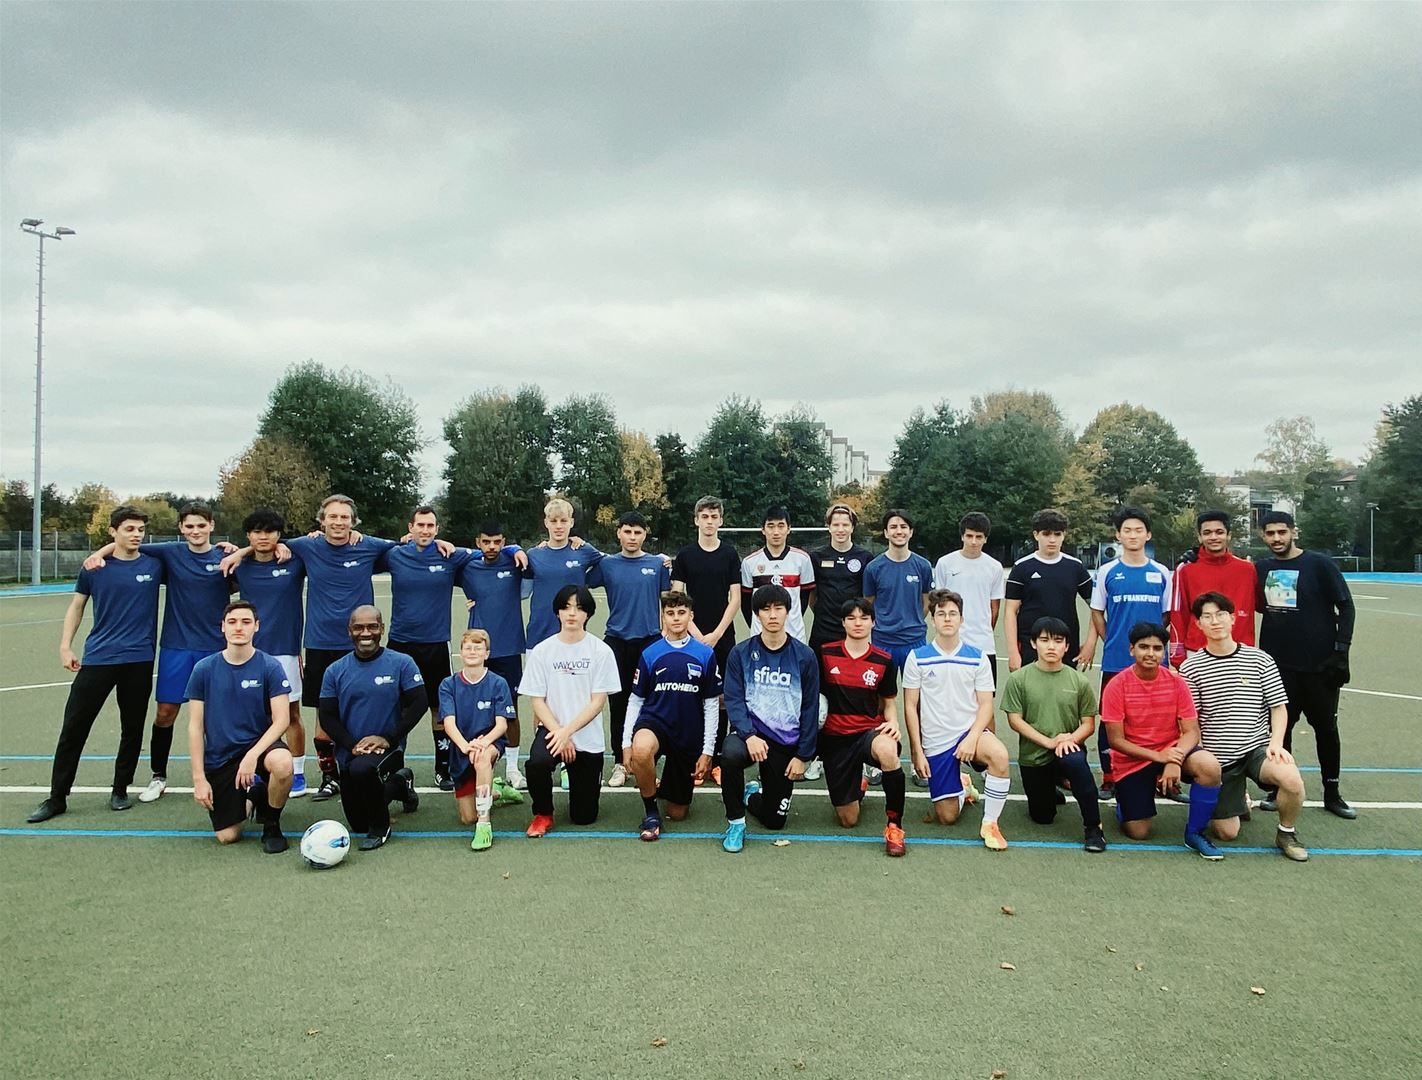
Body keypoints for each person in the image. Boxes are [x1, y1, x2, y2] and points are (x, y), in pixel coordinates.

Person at [82, 502, 235, 805]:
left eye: (201, 526)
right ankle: (158, 776)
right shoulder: (168, 553)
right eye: (189, 526)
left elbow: (259, 556)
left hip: (216, 649)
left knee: (216, 717)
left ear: (212, 526)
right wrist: (99, 553)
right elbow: (126, 541)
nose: (195, 531)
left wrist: (239, 550)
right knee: (166, 713)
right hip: (177, 647)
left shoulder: (226, 557)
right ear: (181, 528)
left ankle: (221, 773)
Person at [27, 506, 165, 822]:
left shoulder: (154, 565)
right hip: (99, 658)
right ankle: (57, 797)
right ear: (113, 531)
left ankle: (120, 789)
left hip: (140, 660)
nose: (136, 534)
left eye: (140, 529)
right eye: (129, 529)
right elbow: (76, 607)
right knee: (74, 727)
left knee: (132, 728)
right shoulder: (94, 569)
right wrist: (65, 646)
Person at [1181, 593, 1310, 861]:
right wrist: (1204, 757)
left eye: (1220, 615)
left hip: (1255, 749)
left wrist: (1275, 743)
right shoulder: (1191, 668)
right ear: (1198, 625)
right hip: (1220, 759)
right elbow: (1191, 719)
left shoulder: (1260, 660)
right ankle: (1240, 800)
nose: (1215, 621)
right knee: (1226, 833)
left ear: (1232, 619)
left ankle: (1286, 832)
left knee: (1292, 779)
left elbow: (1278, 707)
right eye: (1207, 616)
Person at [1255, 511, 1357, 819]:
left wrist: (1341, 651)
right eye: (1270, 533)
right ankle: (1279, 788)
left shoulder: (1320, 565)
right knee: (1280, 731)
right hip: (1277, 665)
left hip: (1320, 665)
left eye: (1282, 532)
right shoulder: (1260, 569)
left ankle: (1332, 792)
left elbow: (1346, 606)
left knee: (1326, 729)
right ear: (1263, 536)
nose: (1276, 539)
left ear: (1293, 532)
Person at [1099, 622, 1225, 859]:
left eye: (1157, 648)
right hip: (1134, 758)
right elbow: (1115, 741)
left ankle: (1195, 833)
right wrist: (1159, 757)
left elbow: (1191, 732)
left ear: (1163, 652)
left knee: (1209, 766)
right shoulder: (1116, 686)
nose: (1150, 653)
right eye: (1143, 647)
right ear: (1131, 650)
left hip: (1171, 751)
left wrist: (1174, 760)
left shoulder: (1177, 683)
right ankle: (1124, 804)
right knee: (1138, 832)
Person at [903, 590, 1011, 850]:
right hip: (936, 742)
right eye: (941, 614)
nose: (947, 619)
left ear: (962, 620)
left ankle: (990, 823)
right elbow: (909, 706)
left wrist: (973, 738)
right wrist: (917, 751)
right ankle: (962, 785)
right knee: (947, 817)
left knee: (1000, 755)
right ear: (933, 619)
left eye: (953, 614)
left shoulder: (977, 657)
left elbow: (986, 705)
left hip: (968, 735)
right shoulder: (917, 657)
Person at [186, 601, 295, 853]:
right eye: (232, 622)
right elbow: (195, 726)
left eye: (246, 622)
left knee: (282, 763)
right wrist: (199, 779)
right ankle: (254, 795)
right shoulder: (203, 670)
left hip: (259, 748)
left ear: (256, 627)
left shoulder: (269, 666)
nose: (239, 628)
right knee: (228, 836)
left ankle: (271, 824)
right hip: (222, 756)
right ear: (222, 627)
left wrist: (252, 755)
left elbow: (282, 720)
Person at [381, 505, 477, 790]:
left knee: (439, 707)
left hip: (435, 645)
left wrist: (513, 550)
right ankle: (394, 767)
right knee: (397, 708)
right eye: (420, 525)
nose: (425, 530)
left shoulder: (449, 555)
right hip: (400, 644)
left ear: (437, 529)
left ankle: (443, 768)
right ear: (410, 528)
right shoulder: (393, 555)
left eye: (431, 526)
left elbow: (488, 550)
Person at [719, 585, 819, 852]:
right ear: (757, 615)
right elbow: (734, 699)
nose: (772, 615)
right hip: (751, 735)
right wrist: (749, 735)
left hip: (785, 742)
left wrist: (803, 755)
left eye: (778, 608)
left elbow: (810, 709)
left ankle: (752, 796)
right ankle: (736, 822)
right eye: (765, 609)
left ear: (788, 612)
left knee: (775, 821)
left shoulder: (805, 656)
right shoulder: (740, 654)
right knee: (729, 754)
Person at [317, 605, 425, 851]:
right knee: (358, 823)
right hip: (350, 750)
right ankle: (400, 784)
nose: (366, 632)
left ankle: (381, 828)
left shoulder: (402, 663)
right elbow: (328, 716)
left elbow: (420, 703)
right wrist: (351, 744)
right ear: (350, 631)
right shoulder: (335, 670)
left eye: (372, 626)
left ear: (382, 629)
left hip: (388, 749)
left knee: (363, 771)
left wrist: (389, 738)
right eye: (359, 627)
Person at [518, 585, 621, 836]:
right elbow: (537, 700)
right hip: (552, 731)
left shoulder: (601, 651)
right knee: (537, 763)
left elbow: (598, 702)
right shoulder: (543, 651)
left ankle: (579, 780)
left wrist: (569, 733)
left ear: (588, 614)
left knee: (583, 817)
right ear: (558, 613)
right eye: (566, 607)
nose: (572, 613)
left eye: (579, 608)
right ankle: (543, 814)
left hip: (586, 737)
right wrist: (560, 733)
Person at [623, 592, 722, 841]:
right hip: (655, 721)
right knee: (642, 749)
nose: (676, 618)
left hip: (688, 731)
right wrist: (626, 743)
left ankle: (666, 786)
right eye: (670, 613)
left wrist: (707, 751)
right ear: (663, 617)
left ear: (691, 616)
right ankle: (650, 813)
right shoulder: (650, 653)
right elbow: (636, 700)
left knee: (677, 813)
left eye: (681, 613)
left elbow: (711, 705)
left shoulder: (705, 654)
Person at [1001, 617, 1105, 853]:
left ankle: (1093, 827)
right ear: (1034, 644)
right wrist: (1049, 741)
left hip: (1067, 748)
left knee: (1076, 763)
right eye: (1045, 640)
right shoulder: (1019, 679)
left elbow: (1088, 723)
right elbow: (1015, 720)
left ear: (1067, 646)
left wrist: (1069, 740)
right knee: (1043, 816)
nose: (1051, 646)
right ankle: (1049, 789)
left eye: (1058, 641)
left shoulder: (1078, 681)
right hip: (1035, 753)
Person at [1089, 507, 1172, 790]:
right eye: (1127, 530)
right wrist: (1111, 640)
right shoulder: (1107, 571)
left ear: (1148, 535)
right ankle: (1109, 776)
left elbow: (1166, 615)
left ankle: (1163, 775)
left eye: (1139, 530)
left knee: (1160, 717)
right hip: (1115, 660)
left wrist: (1150, 647)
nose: (1133, 535)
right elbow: (1098, 612)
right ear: (1118, 535)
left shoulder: (1161, 572)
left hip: (1154, 662)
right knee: (1110, 718)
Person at [587, 511, 671, 787]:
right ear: (618, 533)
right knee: (618, 703)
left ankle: (648, 761)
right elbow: (577, 572)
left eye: (638, 532)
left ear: (645, 534)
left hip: (650, 643)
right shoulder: (607, 564)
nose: (632, 537)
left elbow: (669, 599)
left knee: (652, 702)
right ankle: (621, 763)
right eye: (627, 531)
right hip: (617, 642)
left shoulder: (657, 565)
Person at [816, 598, 906, 856]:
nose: (858, 623)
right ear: (843, 622)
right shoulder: (825, 653)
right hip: (835, 739)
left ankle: (894, 827)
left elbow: (889, 702)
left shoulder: (883, 659)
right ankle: (860, 783)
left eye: (864, 618)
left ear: (873, 623)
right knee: (848, 819)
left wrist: (894, 723)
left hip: (869, 733)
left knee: (889, 751)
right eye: (852, 618)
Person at [232, 509, 309, 796]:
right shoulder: (239, 565)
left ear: (279, 535)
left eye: (270, 532)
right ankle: (259, 767)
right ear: (249, 536)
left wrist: (287, 545)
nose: (263, 537)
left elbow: (312, 541)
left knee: (290, 714)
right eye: (257, 532)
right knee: (253, 713)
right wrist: (239, 553)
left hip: (286, 651)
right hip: (249, 653)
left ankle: (298, 772)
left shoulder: (294, 561)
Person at [670, 495, 742, 783]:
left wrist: (717, 634)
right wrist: (697, 634)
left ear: (720, 521)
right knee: (692, 696)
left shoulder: (729, 554)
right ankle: (696, 756)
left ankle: (718, 761)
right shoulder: (685, 556)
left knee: (722, 698)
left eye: (714, 517)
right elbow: (677, 597)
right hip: (691, 638)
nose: (709, 521)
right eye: (705, 516)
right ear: (696, 520)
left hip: (722, 637)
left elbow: (735, 598)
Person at [460, 519, 530, 789]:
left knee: (509, 710)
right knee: (477, 710)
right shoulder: (466, 566)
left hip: (509, 648)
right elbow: (448, 555)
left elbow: (534, 559)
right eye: (486, 542)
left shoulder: (514, 563)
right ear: (477, 542)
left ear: (503, 541)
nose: (492, 546)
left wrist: (514, 549)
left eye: (498, 542)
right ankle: (478, 762)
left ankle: (512, 768)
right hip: (477, 649)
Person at [439, 629, 516, 852]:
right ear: (460, 652)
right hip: (462, 748)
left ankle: (485, 824)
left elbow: (501, 725)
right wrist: (465, 745)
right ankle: (496, 791)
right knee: (466, 818)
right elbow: (449, 723)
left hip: (489, 743)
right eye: (468, 647)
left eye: (478, 647)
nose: (472, 651)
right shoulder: (448, 684)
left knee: (482, 759)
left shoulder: (498, 683)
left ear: (487, 653)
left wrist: (483, 743)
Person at [1004, 508, 1095, 673]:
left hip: (1066, 648)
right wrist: (1013, 652)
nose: (1052, 539)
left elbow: (1097, 608)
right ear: (1036, 535)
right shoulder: (1022, 567)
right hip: (1030, 648)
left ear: (1064, 535)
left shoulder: (1075, 567)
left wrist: (1090, 644)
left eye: (1057, 534)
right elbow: (1010, 611)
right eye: (1046, 534)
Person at [1168, 510, 1258, 661]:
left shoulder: (1247, 569)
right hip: (1198, 652)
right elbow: (1178, 613)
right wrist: (1177, 655)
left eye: (1219, 532)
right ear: (1199, 537)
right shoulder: (1186, 569)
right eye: (1207, 533)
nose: (1214, 537)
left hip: (1242, 652)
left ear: (1229, 535)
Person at [931, 512, 1005, 691]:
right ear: (962, 536)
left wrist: (983, 631)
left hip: (983, 645)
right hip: (950, 644)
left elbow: (994, 608)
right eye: (969, 536)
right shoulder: (945, 563)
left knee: (984, 700)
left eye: (979, 537)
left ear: (985, 539)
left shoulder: (994, 567)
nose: (973, 541)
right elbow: (939, 604)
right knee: (950, 697)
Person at [522, 498, 604, 650]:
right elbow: (521, 591)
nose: (558, 526)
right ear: (546, 523)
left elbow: (613, 563)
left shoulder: (584, 551)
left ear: (571, 522)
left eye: (563, 521)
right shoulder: (533, 554)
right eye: (553, 521)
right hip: (539, 634)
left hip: (574, 635)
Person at [862, 508, 933, 673]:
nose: (899, 531)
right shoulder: (873, 568)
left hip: (915, 640)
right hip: (882, 641)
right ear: (886, 533)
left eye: (903, 526)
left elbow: (926, 602)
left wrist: (911, 622)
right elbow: (868, 604)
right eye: (893, 527)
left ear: (911, 532)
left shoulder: (923, 566)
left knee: (917, 695)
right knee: (883, 696)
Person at [740, 505, 816, 644]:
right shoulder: (749, 562)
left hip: (794, 634)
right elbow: (746, 602)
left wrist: (791, 618)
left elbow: (804, 598)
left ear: (789, 529)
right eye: (770, 526)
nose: (776, 532)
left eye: (781, 526)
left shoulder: (802, 559)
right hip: (760, 636)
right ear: (763, 530)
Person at [807, 503, 873, 658]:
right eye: (836, 524)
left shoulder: (865, 557)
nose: (840, 529)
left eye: (845, 524)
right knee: (820, 678)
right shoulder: (816, 557)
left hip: (852, 629)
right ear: (828, 527)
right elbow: (812, 595)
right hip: (823, 629)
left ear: (852, 527)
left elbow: (868, 596)